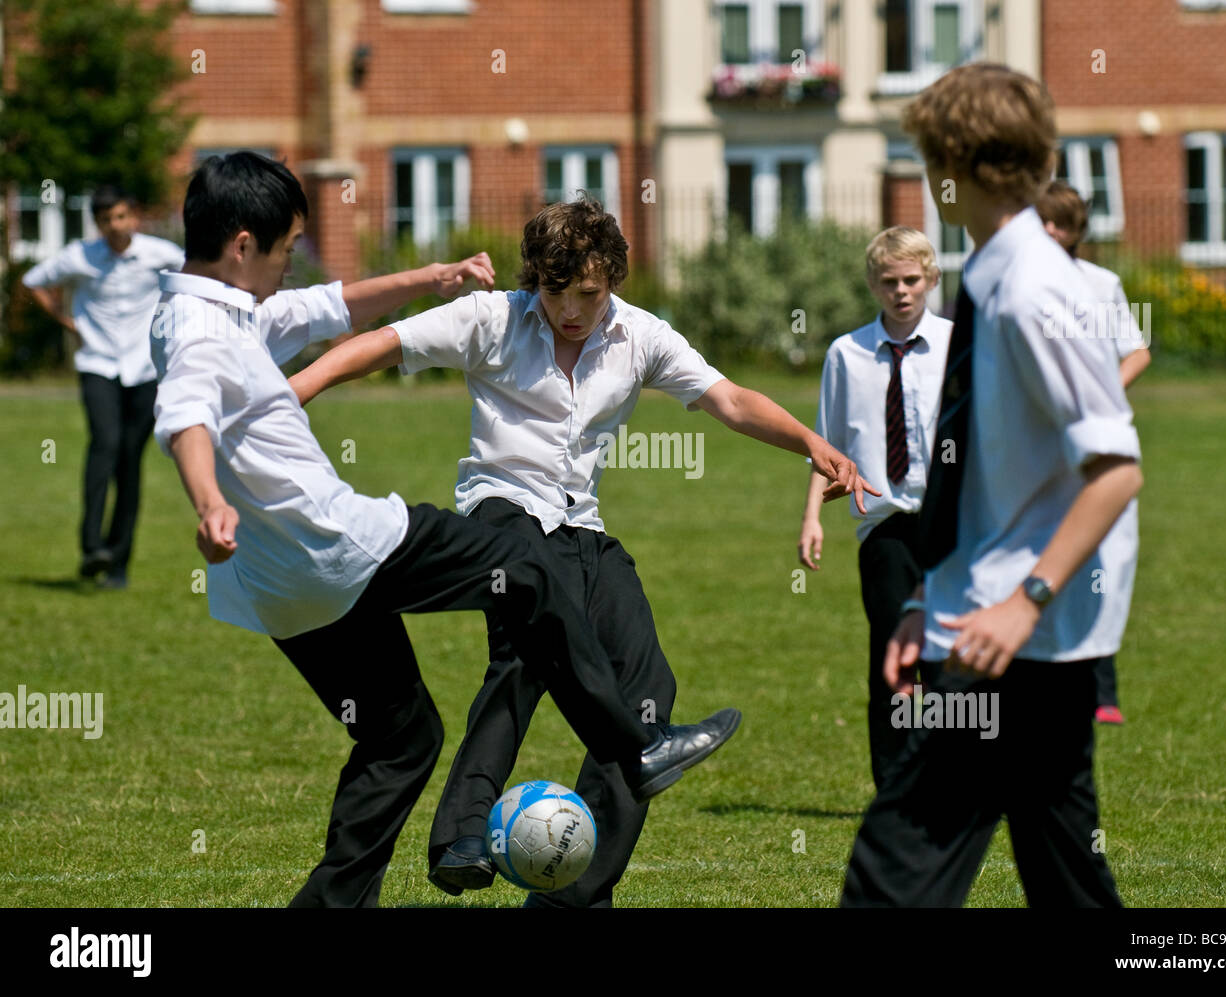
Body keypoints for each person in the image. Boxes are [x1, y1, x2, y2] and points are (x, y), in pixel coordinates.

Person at [151, 152, 744, 908]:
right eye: (286, 247)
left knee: (402, 741)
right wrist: (207, 499)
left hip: (276, 589)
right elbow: (185, 415)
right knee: (527, 566)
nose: (290, 262)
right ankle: (637, 746)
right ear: (243, 246)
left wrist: (427, 280)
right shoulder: (204, 332)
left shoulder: (222, 307)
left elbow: (327, 309)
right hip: (343, 543)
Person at [289, 196, 877, 907]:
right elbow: (385, 345)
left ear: (613, 281)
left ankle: (568, 888)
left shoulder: (641, 336)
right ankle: (461, 835)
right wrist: (298, 388)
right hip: (502, 516)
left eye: (588, 294)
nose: (571, 310)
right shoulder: (496, 318)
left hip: (584, 527)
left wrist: (812, 443)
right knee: (524, 664)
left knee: (650, 693)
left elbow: (728, 399)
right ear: (536, 279)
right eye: (555, 292)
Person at [839, 64, 1143, 908]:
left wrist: (1026, 599)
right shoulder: (994, 275)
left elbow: (1115, 468)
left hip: (1010, 647)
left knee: (889, 875)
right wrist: (928, 588)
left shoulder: (1034, 293)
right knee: (1068, 880)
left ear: (952, 162)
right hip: (991, 628)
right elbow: (983, 471)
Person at [798, 227, 951, 789]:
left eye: (912, 280)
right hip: (883, 526)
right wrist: (813, 515)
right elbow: (825, 441)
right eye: (889, 282)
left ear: (931, 278)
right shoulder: (848, 353)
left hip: (949, 525)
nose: (902, 291)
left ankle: (954, 777)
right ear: (873, 284)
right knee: (891, 656)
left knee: (948, 657)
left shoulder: (958, 347)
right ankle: (894, 783)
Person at [23, 185, 185, 588]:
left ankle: (118, 563)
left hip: (145, 370)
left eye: (122, 216)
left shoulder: (160, 254)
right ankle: (91, 544)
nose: (116, 225)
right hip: (97, 364)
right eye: (107, 219)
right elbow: (33, 280)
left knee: (130, 462)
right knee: (105, 443)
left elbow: (194, 281)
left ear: (135, 217)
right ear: (97, 223)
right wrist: (65, 319)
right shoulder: (80, 256)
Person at [1037, 180, 1149, 725]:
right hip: (1041, 442)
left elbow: (1136, 351)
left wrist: (1101, 397)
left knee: (1108, 559)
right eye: (1043, 220)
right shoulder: (1021, 286)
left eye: (1060, 222)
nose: (1051, 231)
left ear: (1077, 229)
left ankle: (1104, 689)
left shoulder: (1101, 285)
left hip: (1096, 441)